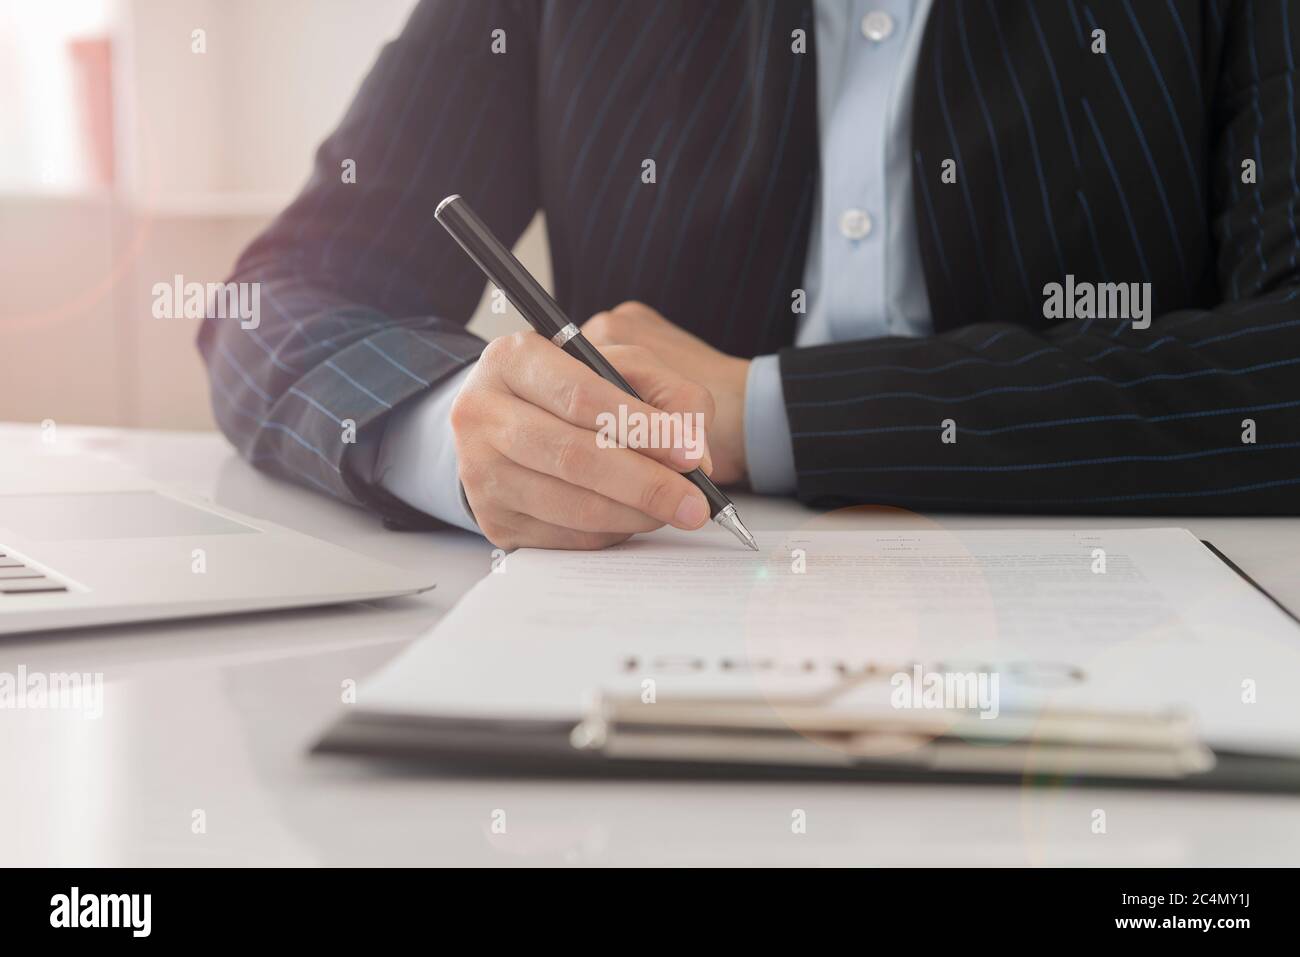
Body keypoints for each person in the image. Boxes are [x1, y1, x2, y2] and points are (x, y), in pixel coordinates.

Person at [198, 0, 1300, 550]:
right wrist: (460, 431)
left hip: (1117, 614)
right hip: (662, 597)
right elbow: (283, 293)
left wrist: (765, 411)